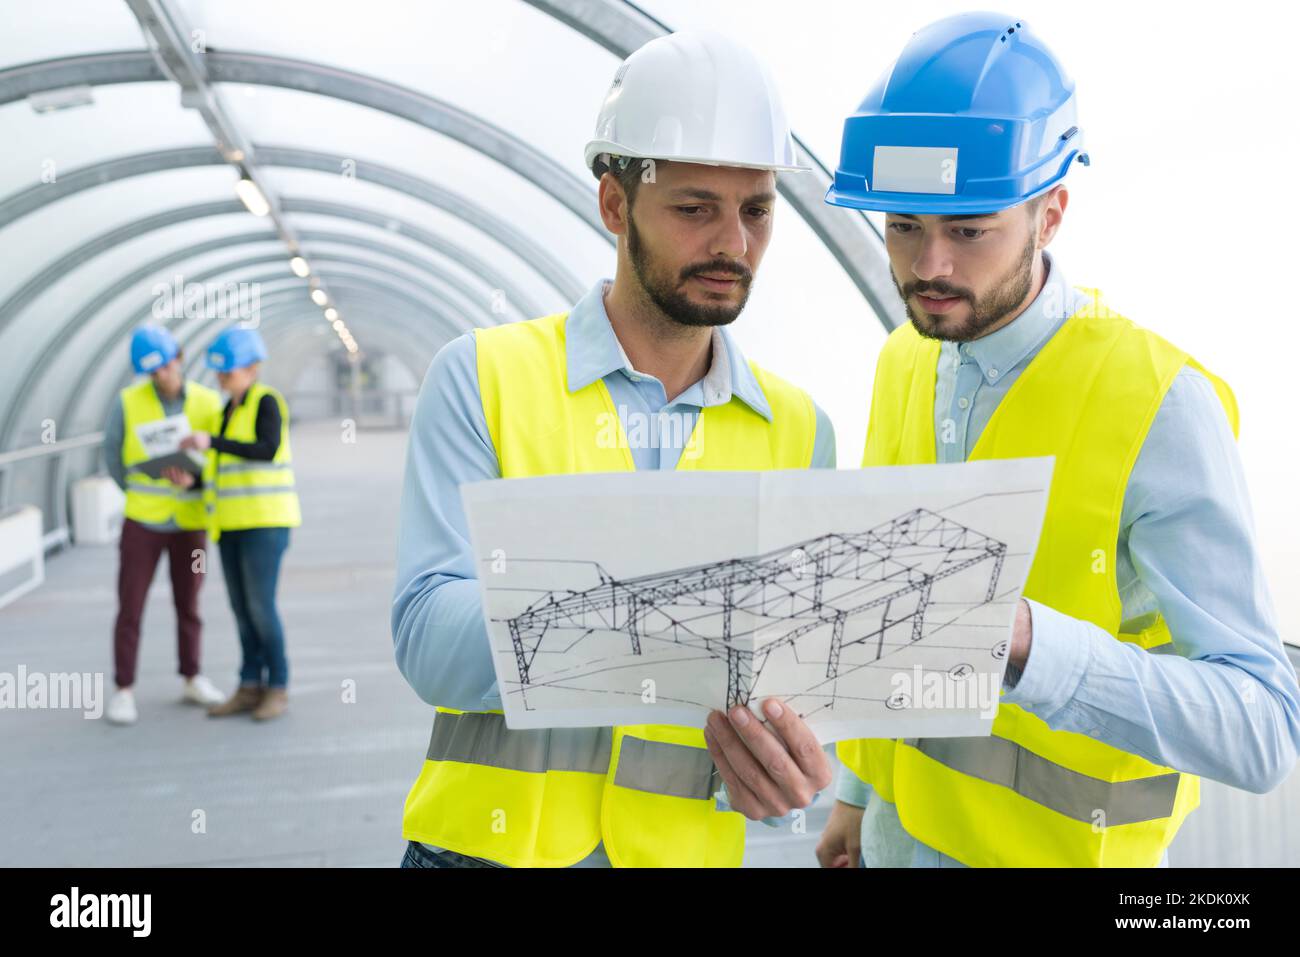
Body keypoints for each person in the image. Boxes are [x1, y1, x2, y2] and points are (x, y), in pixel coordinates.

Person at [814, 11, 1300, 867]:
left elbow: (1262, 726)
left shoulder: (1159, 402)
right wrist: (858, 795)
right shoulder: (904, 359)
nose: (929, 267)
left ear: (1053, 212)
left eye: (968, 230)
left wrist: (1031, 642)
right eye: (902, 226)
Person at [393, 30, 834, 869]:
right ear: (613, 203)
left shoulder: (799, 429)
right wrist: (651, 608)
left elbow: (794, 682)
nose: (734, 246)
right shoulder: (483, 377)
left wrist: (792, 768)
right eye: (694, 208)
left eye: (756, 210)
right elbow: (429, 642)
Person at [176, 325, 301, 722]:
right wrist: (191, 480)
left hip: (265, 524)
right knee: (241, 609)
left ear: (251, 368)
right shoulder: (223, 411)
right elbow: (222, 469)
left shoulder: (267, 402)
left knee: (262, 607)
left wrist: (211, 442)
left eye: (227, 373)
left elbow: (266, 450)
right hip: (229, 526)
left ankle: (277, 686)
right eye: (219, 373)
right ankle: (249, 685)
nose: (221, 379)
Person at [103, 325, 227, 725]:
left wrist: (197, 480)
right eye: (153, 373)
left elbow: (221, 458)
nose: (162, 377)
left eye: (166, 367)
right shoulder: (127, 402)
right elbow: (114, 457)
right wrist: (144, 485)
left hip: (190, 522)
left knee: (189, 602)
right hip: (143, 521)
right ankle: (123, 689)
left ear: (179, 357)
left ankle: (192, 676)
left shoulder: (209, 402)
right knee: (131, 605)